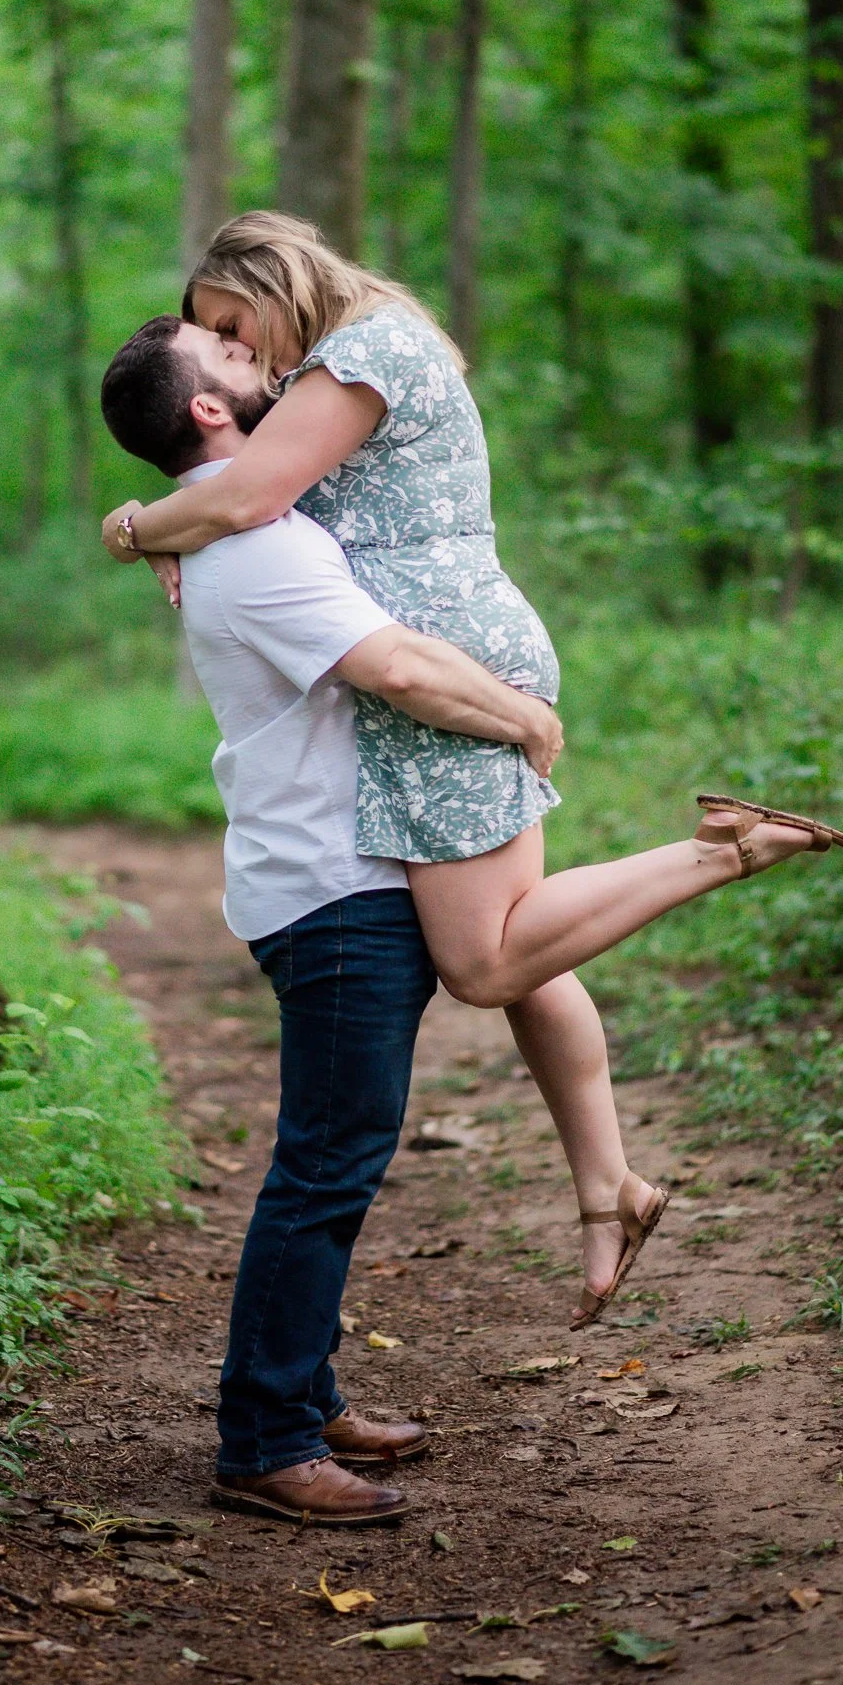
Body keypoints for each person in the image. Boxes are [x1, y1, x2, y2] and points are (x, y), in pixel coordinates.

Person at [101, 211, 843, 1330]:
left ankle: (721, 849)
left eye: (227, 322)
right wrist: (162, 520)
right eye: (217, 341)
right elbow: (235, 481)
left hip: (438, 669)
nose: (237, 346)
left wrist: (137, 525)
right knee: (531, 950)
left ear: (267, 284)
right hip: (433, 662)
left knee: (488, 959)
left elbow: (246, 496)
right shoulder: (326, 365)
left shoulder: (361, 353)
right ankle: (608, 1190)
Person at [100, 315, 564, 1525]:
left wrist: (137, 524)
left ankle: (304, 1389)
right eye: (231, 355)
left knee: (336, 1154)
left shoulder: (244, 519)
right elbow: (397, 666)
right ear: (208, 409)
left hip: (338, 872)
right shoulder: (255, 546)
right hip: (333, 887)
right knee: (326, 1161)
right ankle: (265, 1436)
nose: (265, 362)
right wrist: (523, 716)